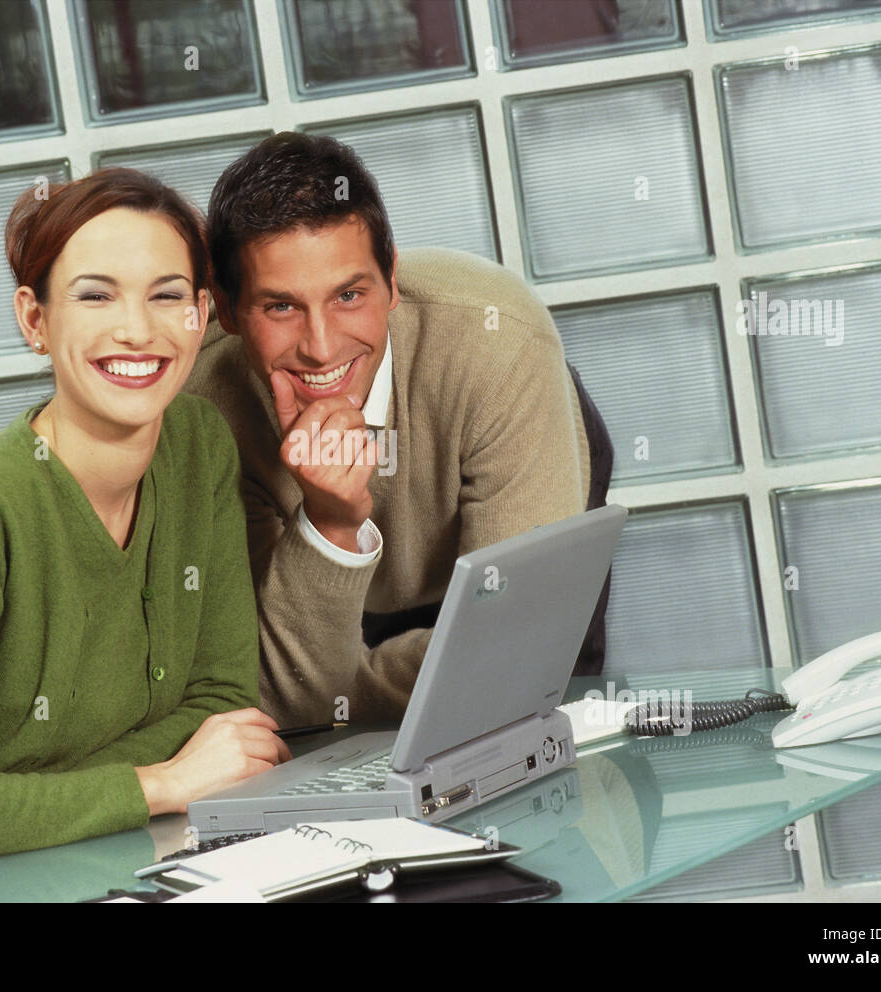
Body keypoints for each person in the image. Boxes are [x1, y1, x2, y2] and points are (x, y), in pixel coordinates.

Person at [0, 168, 290, 903]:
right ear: (34, 320)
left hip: (114, 856)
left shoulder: (199, 444)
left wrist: (1, 809)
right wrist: (167, 779)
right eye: (95, 295)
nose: (137, 329)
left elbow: (224, 709)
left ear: (202, 315)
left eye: (167, 295)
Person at [185, 132, 613, 728]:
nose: (321, 346)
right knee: (317, 749)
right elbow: (281, 697)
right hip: (331, 571)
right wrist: (331, 521)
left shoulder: (500, 345)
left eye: (349, 295)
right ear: (227, 311)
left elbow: (508, 648)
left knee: (536, 704)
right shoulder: (201, 414)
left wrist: (344, 684)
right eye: (281, 306)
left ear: (391, 279)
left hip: (496, 444)